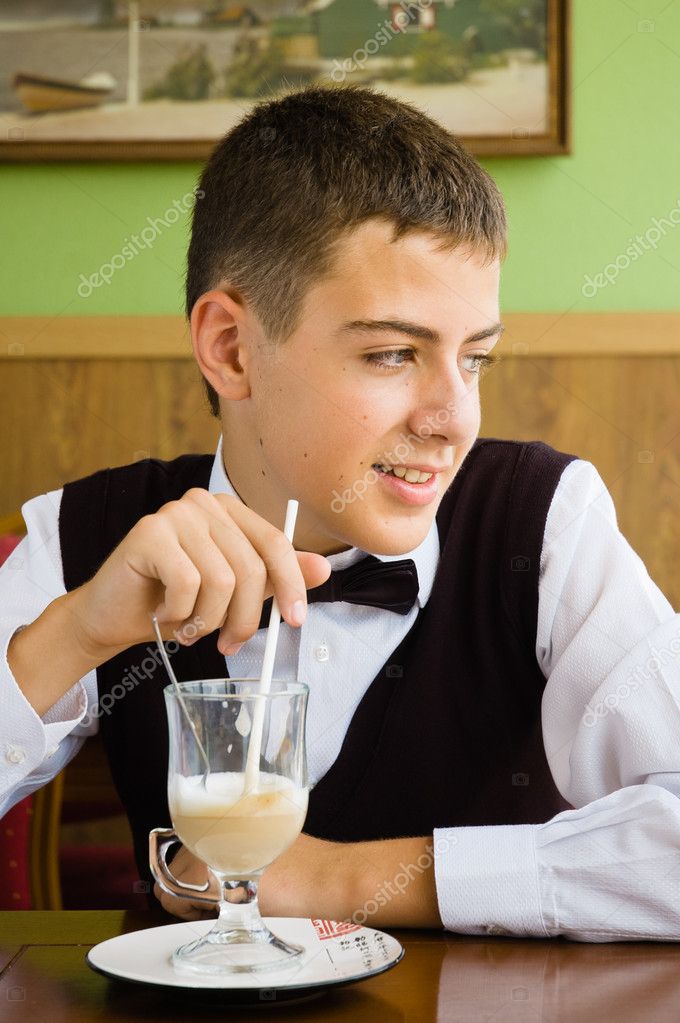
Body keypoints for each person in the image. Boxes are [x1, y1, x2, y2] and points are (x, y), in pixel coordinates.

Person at [3, 84, 680, 942]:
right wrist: (77, 633)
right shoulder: (89, 533)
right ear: (230, 347)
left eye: (474, 359)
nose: (453, 419)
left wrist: (337, 876)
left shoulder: (544, 522)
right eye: (393, 353)